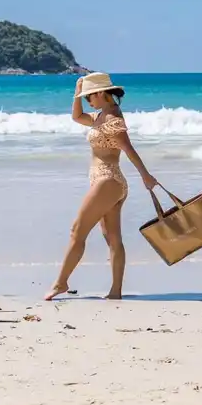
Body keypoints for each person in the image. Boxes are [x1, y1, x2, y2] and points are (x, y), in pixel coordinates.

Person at [45, 72, 160, 301]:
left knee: (77, 231)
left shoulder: (111, 120)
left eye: (89, 96)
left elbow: (128, 149)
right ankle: (115, 292)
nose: (88, 101)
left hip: (107, 180)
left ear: (101, 93)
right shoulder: (101, 116)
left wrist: (146, 176)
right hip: (109, 182)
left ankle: (61, 283)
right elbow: (77, 117)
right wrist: (77, 92)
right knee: (113, 238)